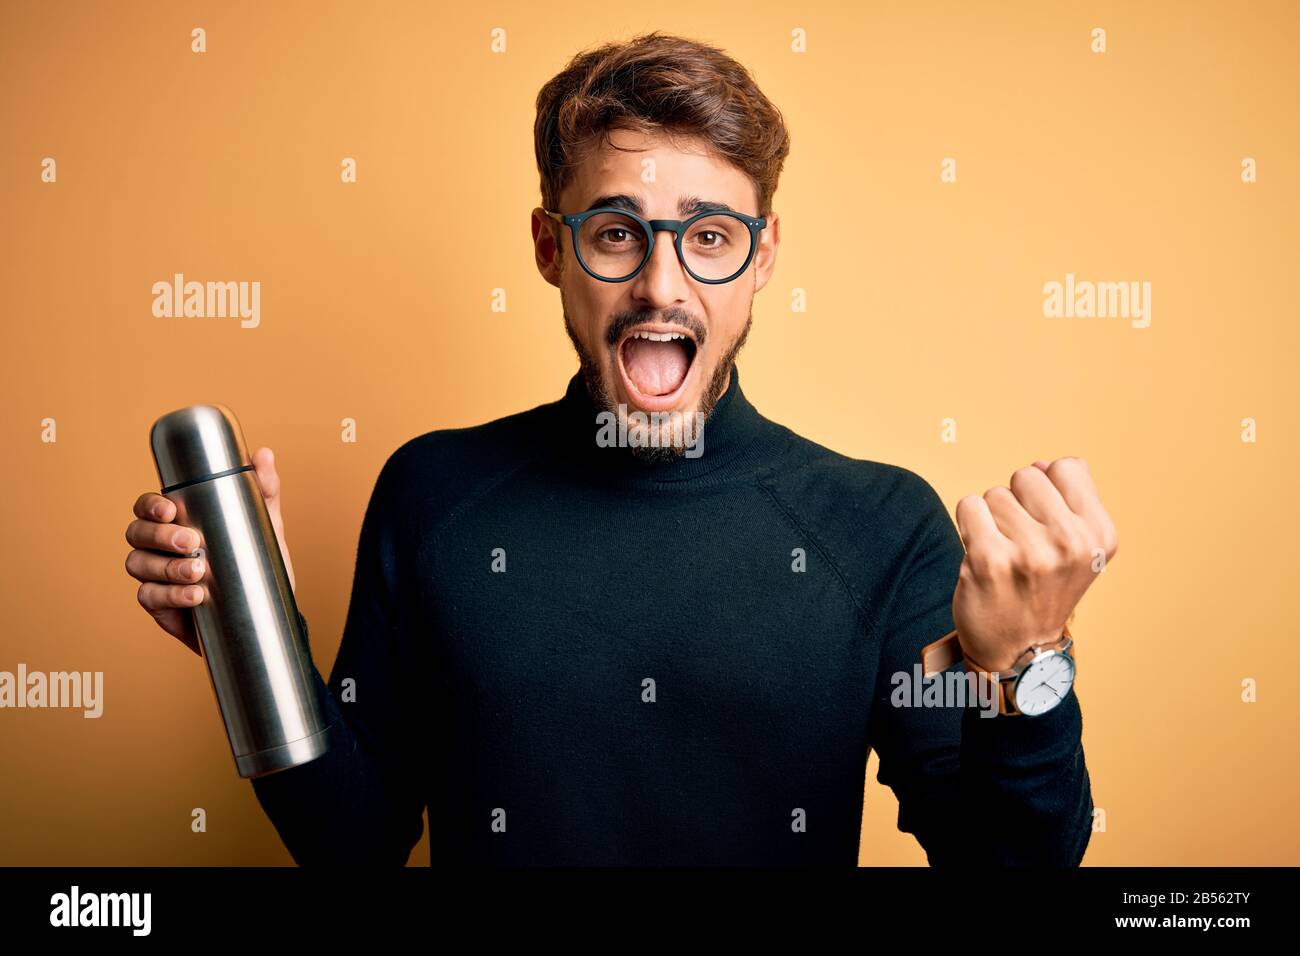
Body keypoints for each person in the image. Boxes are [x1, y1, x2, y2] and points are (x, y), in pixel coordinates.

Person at [123, 32, 1117, 865]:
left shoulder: (880, 525)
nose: (660, 285)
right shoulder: (432, 493)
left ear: (761, 256)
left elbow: (1008, 865)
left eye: (709, 236)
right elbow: (354, 839)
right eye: (615, 234)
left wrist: (1030, 662)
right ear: (551, 248)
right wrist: (254, 644)